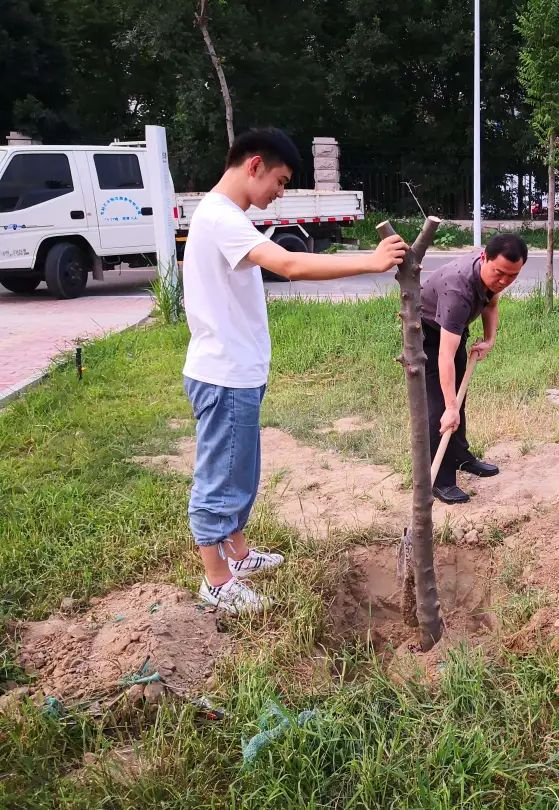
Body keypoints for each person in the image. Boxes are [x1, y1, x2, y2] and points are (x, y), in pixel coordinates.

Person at [182, 128, 407, 614]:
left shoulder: (227, 217)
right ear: (254, 165)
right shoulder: (221, 217)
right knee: (220, 477)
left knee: (240, 470)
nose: (279, 194)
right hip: (224, 375)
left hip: (237, 371)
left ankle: (237, 555)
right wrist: (369, 262)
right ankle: (216, 580)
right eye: (280, 182)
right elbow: (287, 265)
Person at [420, 234, 527, 504]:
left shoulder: (493, 274)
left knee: (458, 398)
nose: (504, 281)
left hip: (453, 328)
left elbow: (491, 302)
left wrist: (489, 340)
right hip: (428, 334)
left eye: (512, 276)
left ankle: (459, 457)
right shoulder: (458, 290)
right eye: (499, 273)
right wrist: (450, 406)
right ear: (484, 259)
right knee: (441, 408)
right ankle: (441, 481)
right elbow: (445, 354)